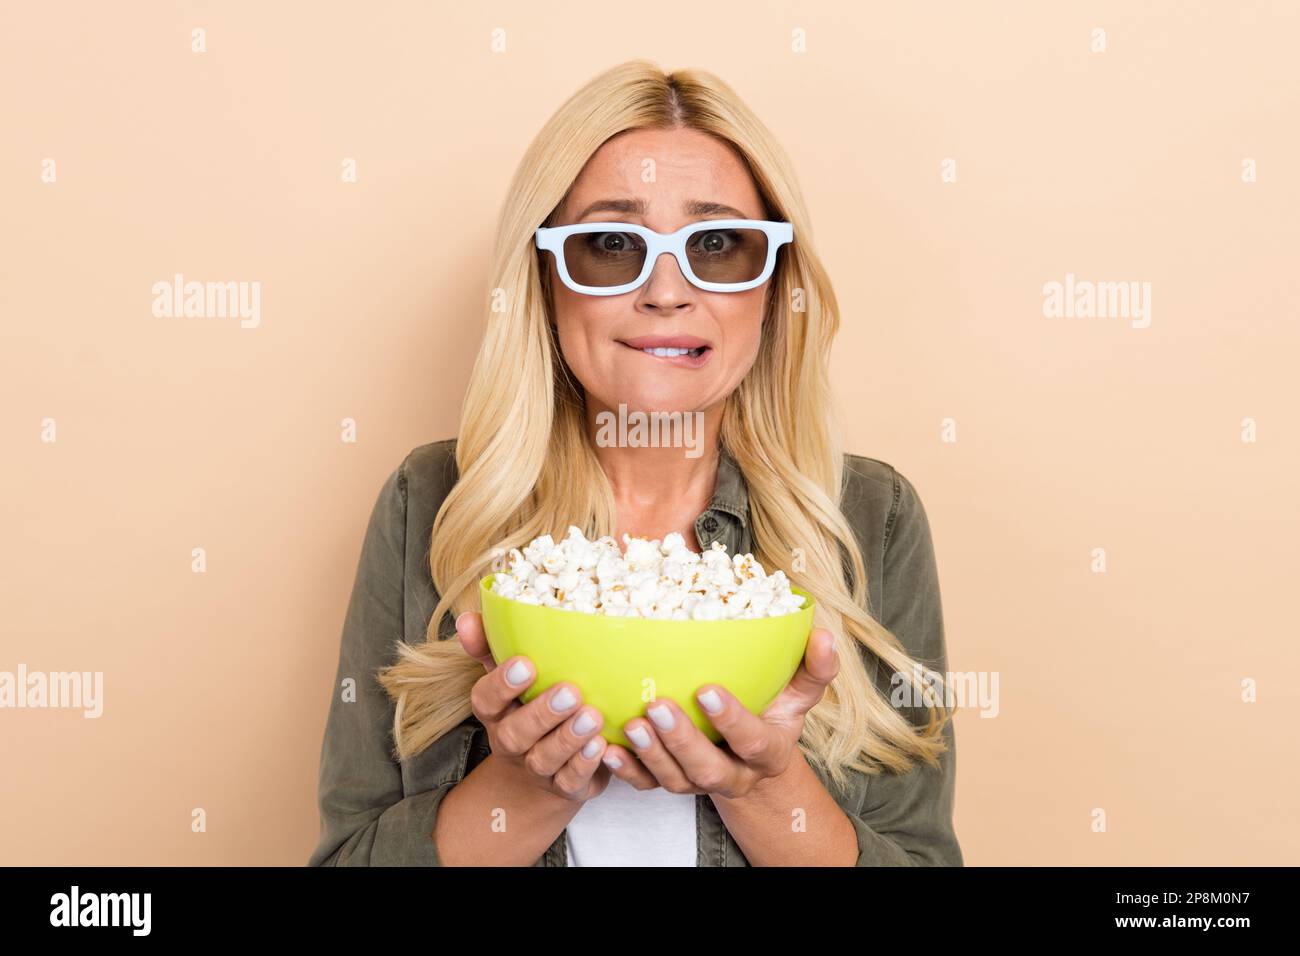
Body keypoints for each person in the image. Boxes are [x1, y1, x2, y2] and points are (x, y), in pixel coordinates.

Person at [309, 59, 962, 867]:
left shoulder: (869, 517)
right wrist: (528, 788)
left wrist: (762, 789)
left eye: (718, 245)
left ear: (774, 284)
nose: (664, 289)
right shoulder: (436, 502)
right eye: (611, 244)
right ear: (546, 278)